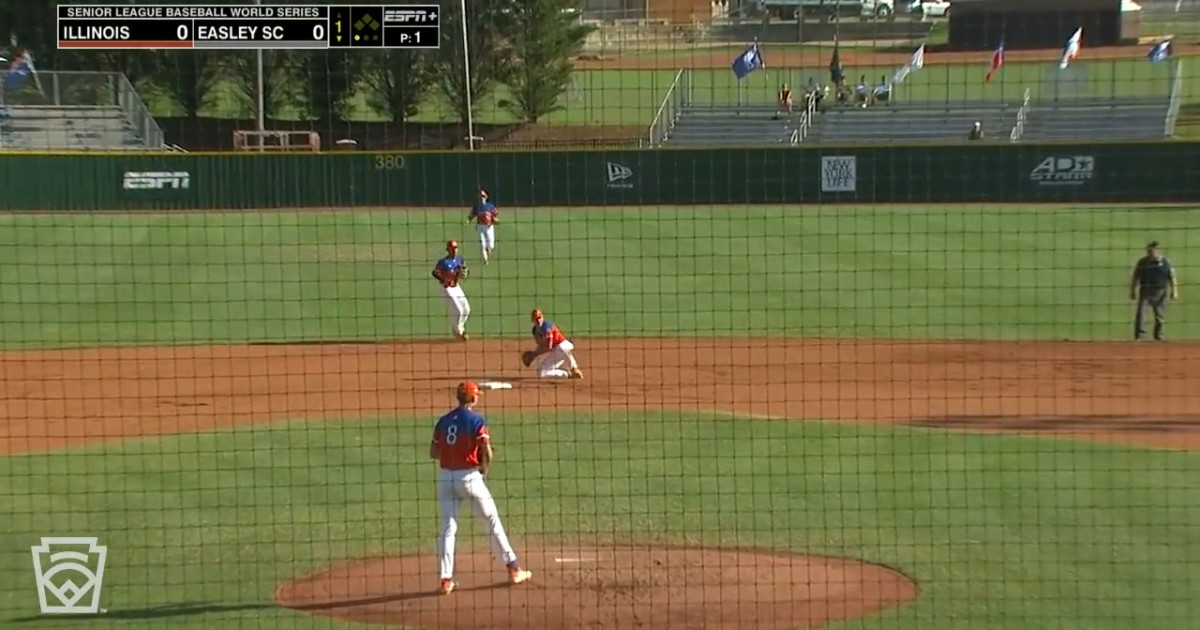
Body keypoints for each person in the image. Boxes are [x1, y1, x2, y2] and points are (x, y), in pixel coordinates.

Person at [431, 381, 533, 595]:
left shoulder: (444, 420)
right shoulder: (476, 420)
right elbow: (486, 450)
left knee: (449, 528)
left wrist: (452, 455)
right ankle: (514, 568)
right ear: (473, 398)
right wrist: (483, 468)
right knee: (492, 521)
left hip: (446, 479)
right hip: (469, 478)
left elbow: (433, 452)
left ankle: (446, 580)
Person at [1130, 241, 1179, 341]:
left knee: (1160, 316)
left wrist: (1174, 291)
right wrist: (1133, 290)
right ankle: (1140, 336)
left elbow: (1172, 277)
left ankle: (1159, 336)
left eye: (1152, 250)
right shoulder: (1142, 262)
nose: (1150, 253)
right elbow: (1136, 277)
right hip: (1145, 291)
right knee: (1142, 314)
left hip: (1160, 292)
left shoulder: (1166, 262)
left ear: (1158, 251)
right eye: (1148, 251)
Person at [524, 309, 583, 379]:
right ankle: (571, 371)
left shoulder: (547, 327)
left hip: (563, 346)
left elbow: (549, 347)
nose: (538, 320)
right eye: (536, 319)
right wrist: (535, 353)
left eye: (540, 318)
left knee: (561, 349)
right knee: (542, 372)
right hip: (559, 350)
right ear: (532, 320)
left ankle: (572, 370)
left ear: (542, 317)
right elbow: (541, 345)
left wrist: (535, 354)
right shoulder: (535, 331)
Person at [432, 240, 471, 341]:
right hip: (446, 288)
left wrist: (465, 272)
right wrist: (443, 279)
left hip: (456, 286)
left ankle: (459, 328)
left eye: (456, 248)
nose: (454, 251)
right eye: (452, 249)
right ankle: (458, 331)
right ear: (448, 250)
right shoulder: (443, 262)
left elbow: (464, 268)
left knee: (466, 309)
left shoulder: (460, 259)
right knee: (459, 310)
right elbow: (435, 272)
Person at [465, 189, 498, 265]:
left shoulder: (490, 206)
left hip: (489, 227)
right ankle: (485, 259)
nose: (481, 197)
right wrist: (468, 220)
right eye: (480, 196)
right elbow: (472, 215)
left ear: (486, 196)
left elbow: (495, 216)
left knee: (490, 245)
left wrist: (496, 220)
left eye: (483, 196)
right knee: (482, 244)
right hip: (480, 226)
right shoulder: (477, 206)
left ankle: (488, 251)